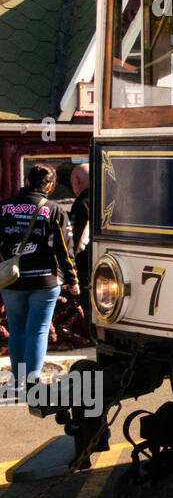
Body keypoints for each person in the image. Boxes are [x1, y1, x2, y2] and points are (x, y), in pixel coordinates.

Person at [1, 163, 79, 384]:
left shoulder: (4, 207)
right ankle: (31, 381)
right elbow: (64, 249)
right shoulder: (54, 209)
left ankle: (17, 380)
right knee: (38, 330)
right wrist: (72, 279)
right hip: (45, 280)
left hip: (12, 279)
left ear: (27, 181)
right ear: (50, 185)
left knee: (16, 330)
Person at [69, 163, 92, 324]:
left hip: (85, 264)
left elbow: (79, 239)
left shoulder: (82, 202)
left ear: (77, 181)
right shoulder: (107, 195)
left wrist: (69, 261)